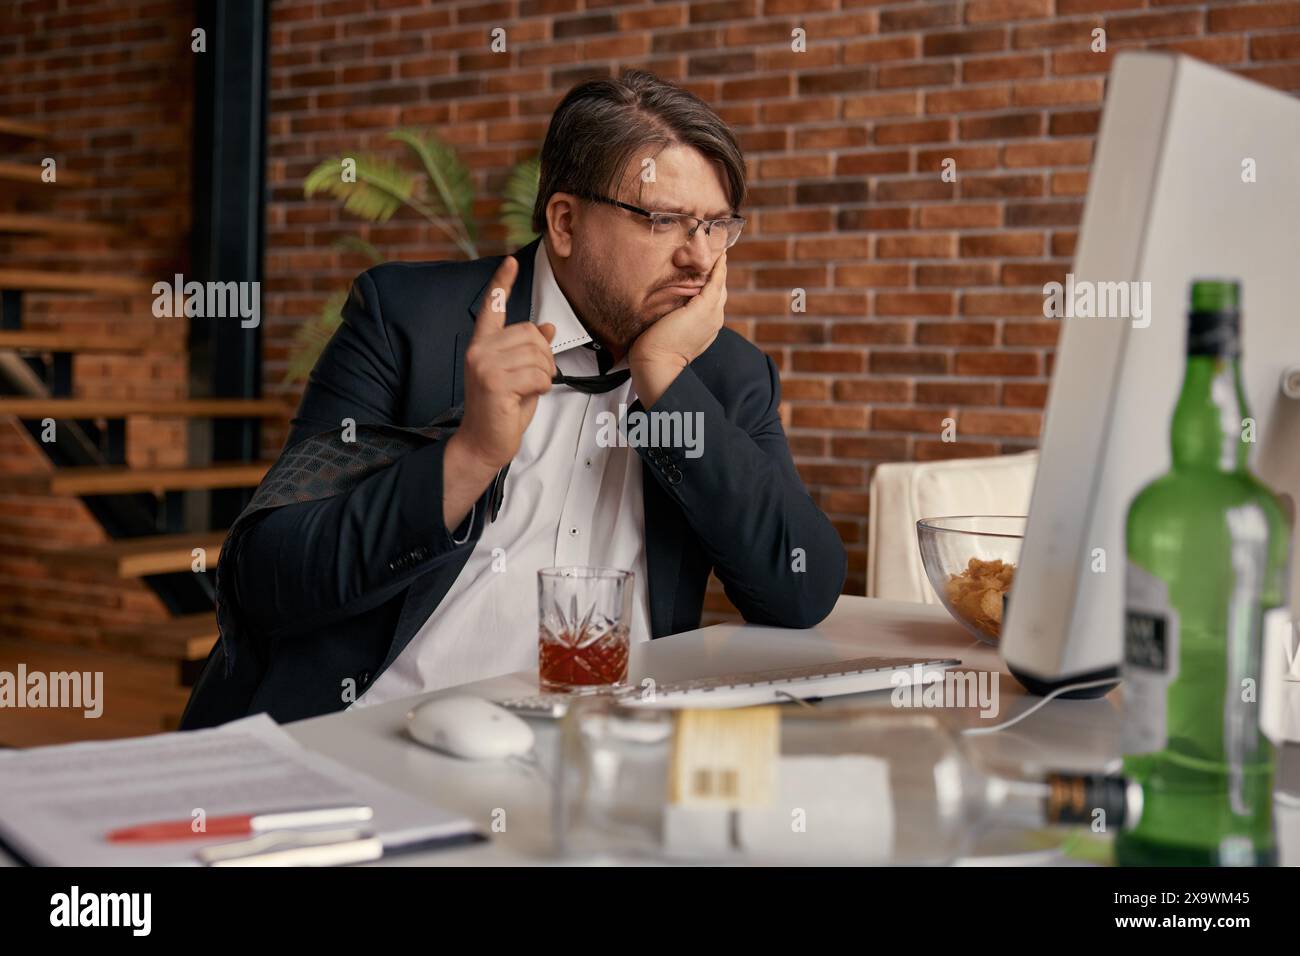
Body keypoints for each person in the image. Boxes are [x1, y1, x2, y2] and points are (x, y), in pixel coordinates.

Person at [180, 69, 846, 728]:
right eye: (666, 222)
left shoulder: (725, 374)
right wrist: (469, 456)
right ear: (564, 222)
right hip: (372, 740)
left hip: (601, 757)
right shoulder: (412, 320)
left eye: (716, 227)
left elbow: (801, 587)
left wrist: (665, 377)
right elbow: (269, 577)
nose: (698, 259)